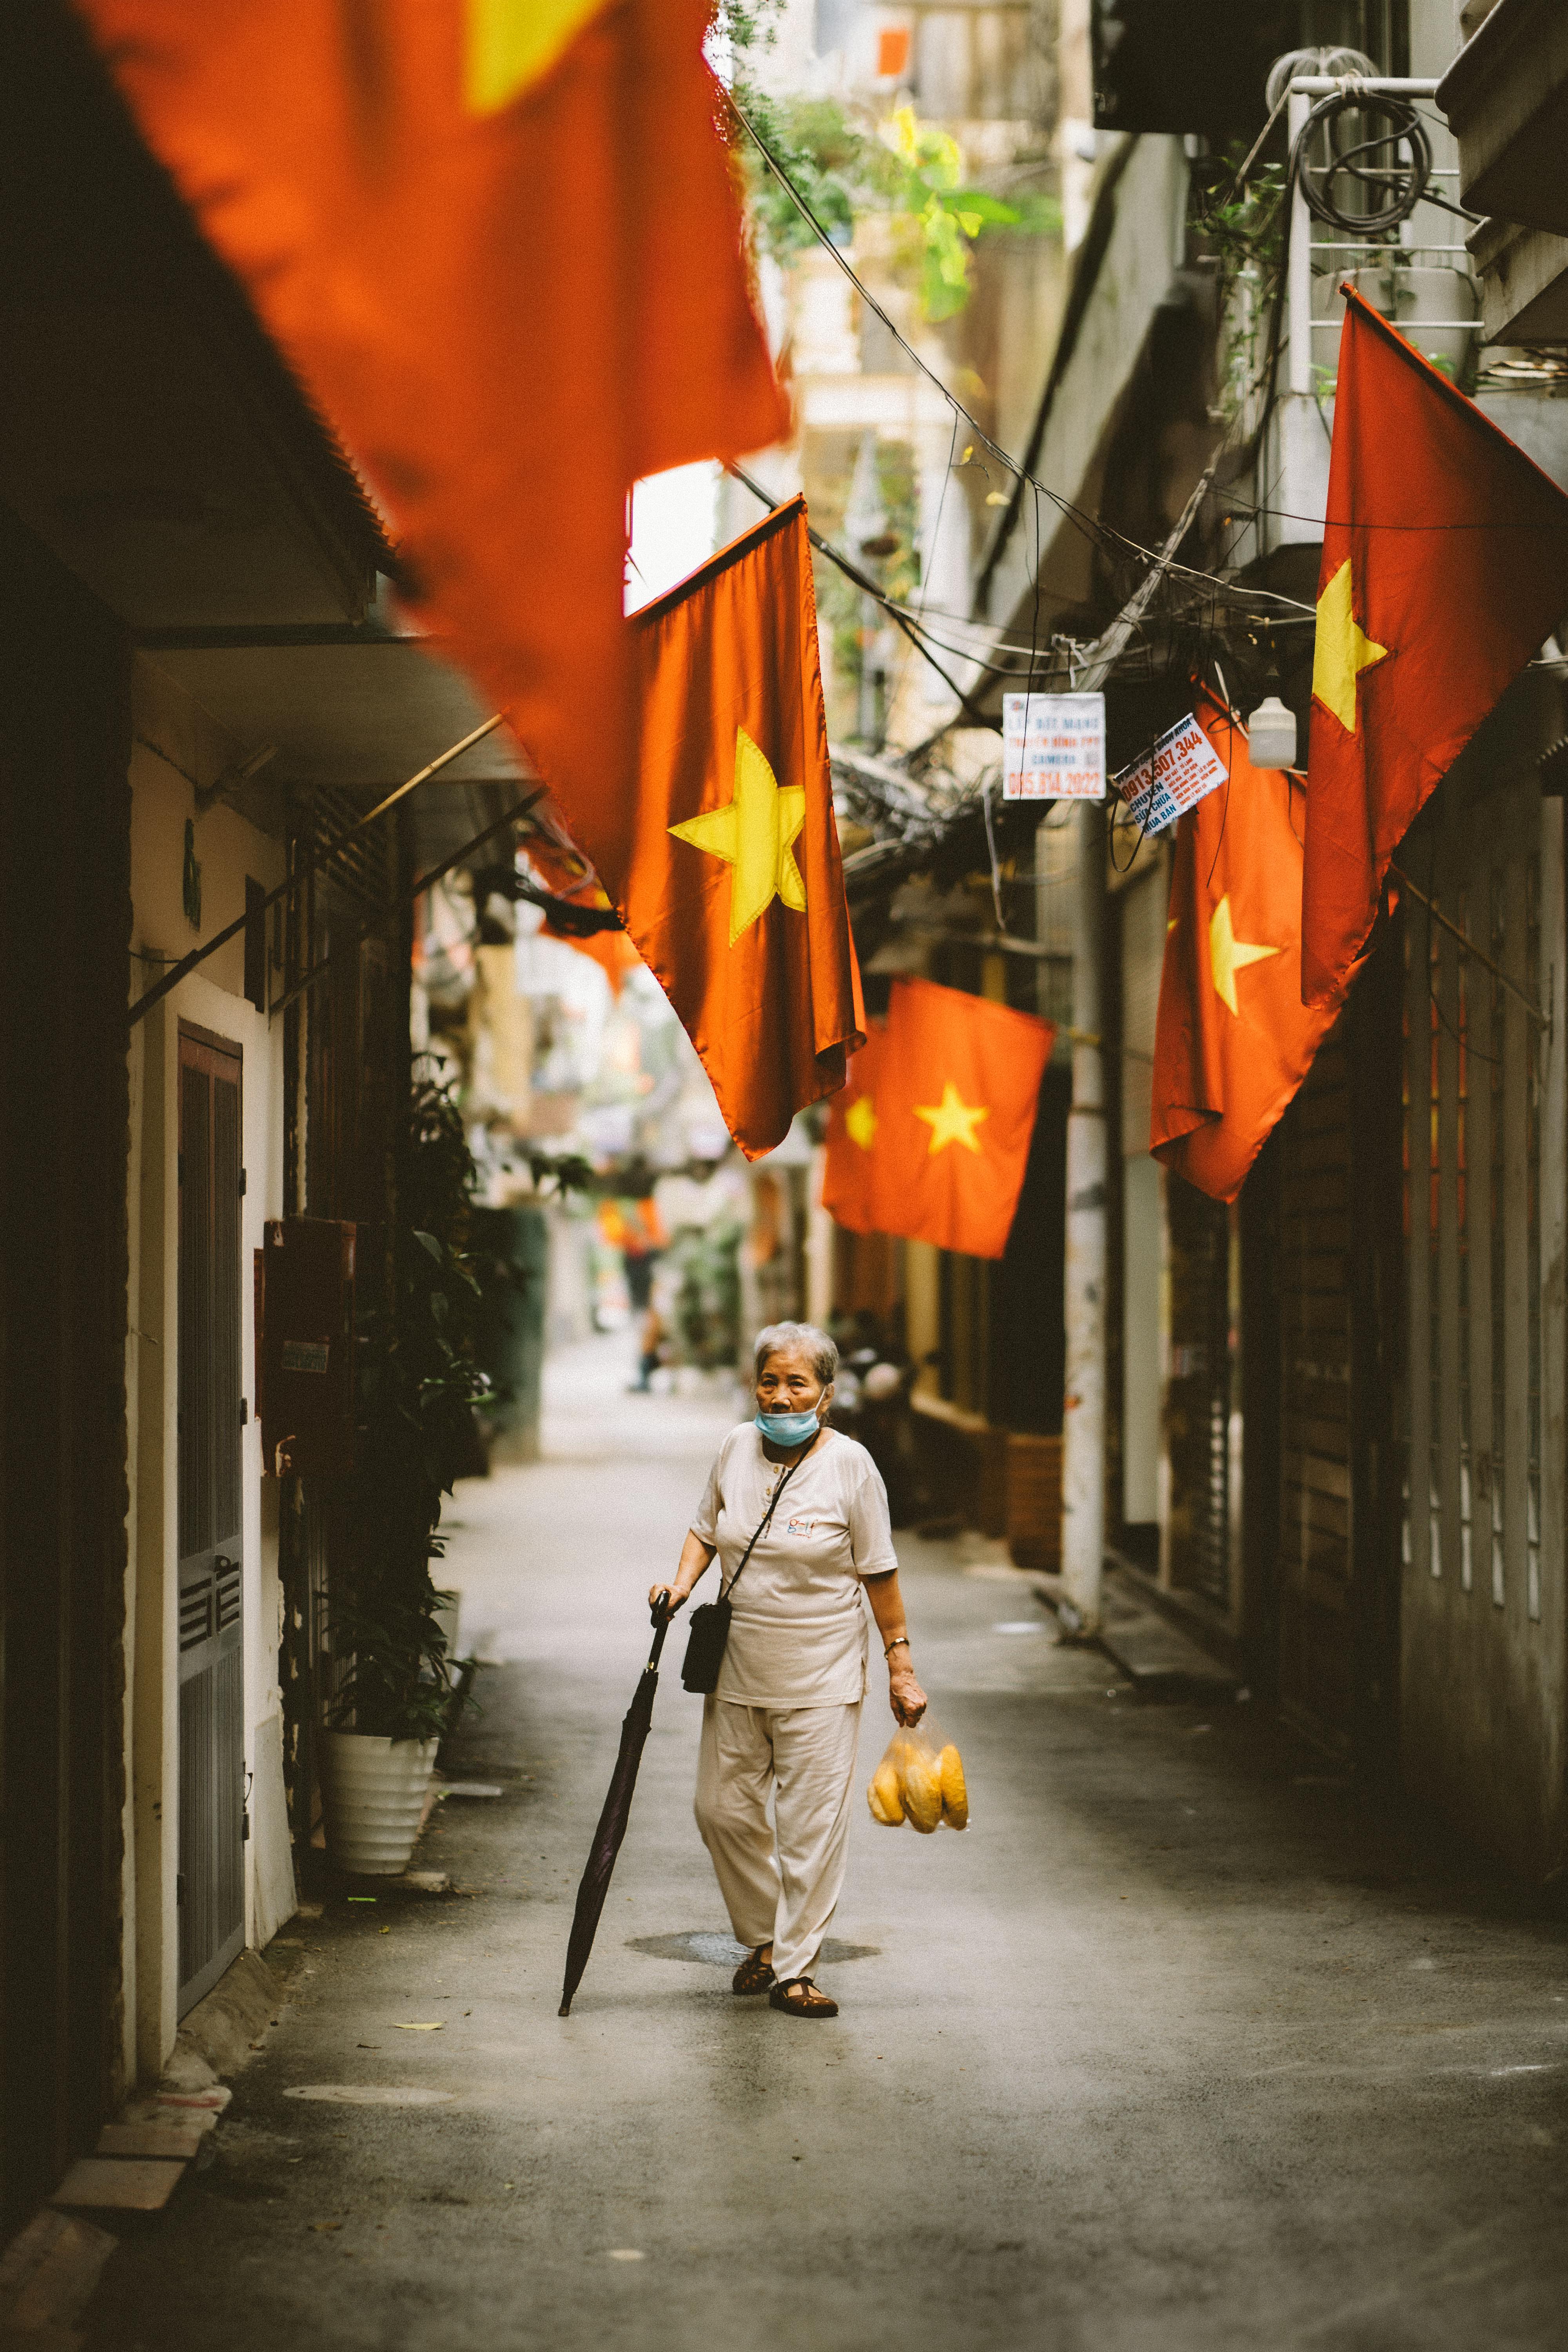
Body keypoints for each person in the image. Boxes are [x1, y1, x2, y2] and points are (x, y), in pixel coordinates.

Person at [650, 1320, 926, 2020]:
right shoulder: (735, 1448)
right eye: (769, 1381)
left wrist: (900, 1664)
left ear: (826, 1394)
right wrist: (680, 1585)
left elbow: (880, 1571)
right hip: (738, 1669)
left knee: (809, 1830)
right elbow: (706, 1526)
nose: (779, 1396)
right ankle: (767, 1938)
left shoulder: (852, 1466)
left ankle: (794, 1970)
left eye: (796, 1383)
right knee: (720, 1811)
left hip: (822, 1678)